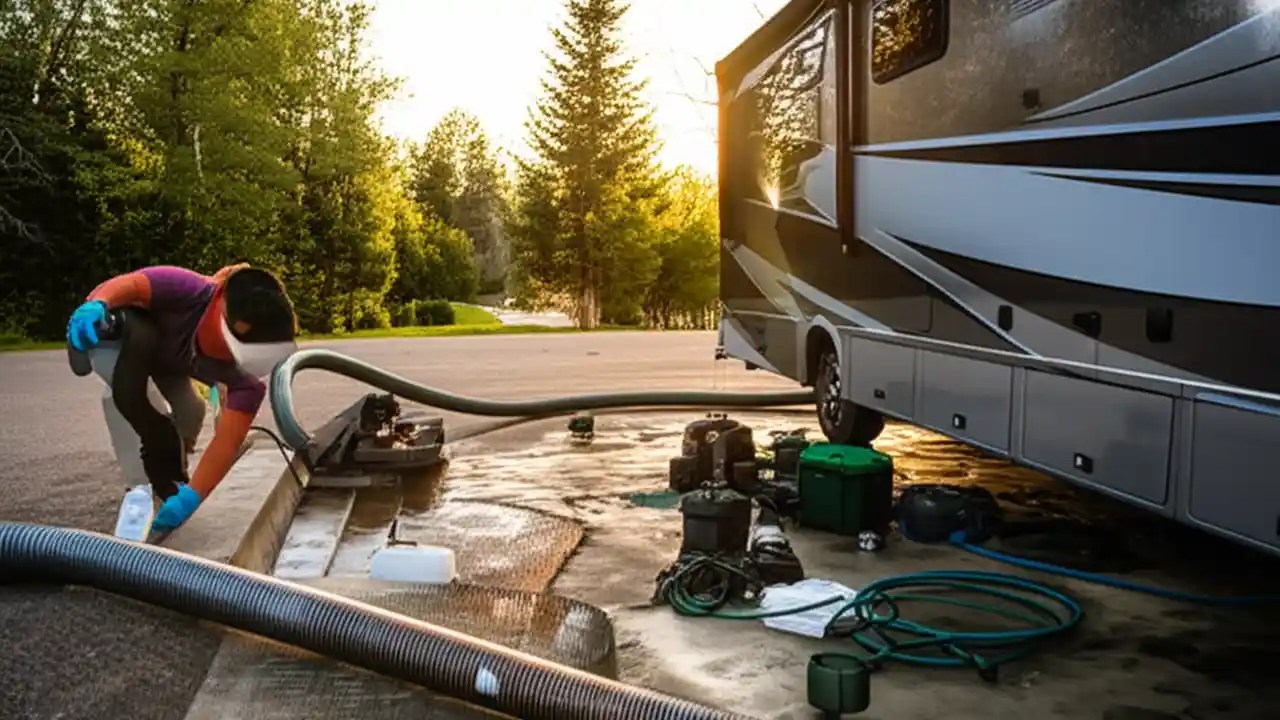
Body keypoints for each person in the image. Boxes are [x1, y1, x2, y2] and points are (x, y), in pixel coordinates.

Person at [66, 264, 298, 533]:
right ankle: (141, 489)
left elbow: (225, 443)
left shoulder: (245, 378)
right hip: (117, 336)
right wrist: (98, 303)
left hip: (168, 363)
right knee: (144, 408)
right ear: (218, 301)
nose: (233, 357)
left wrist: (191, 499)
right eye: (230, 339)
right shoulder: (186, 289)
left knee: (192, 411)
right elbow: (131, 285)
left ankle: (172, 478)